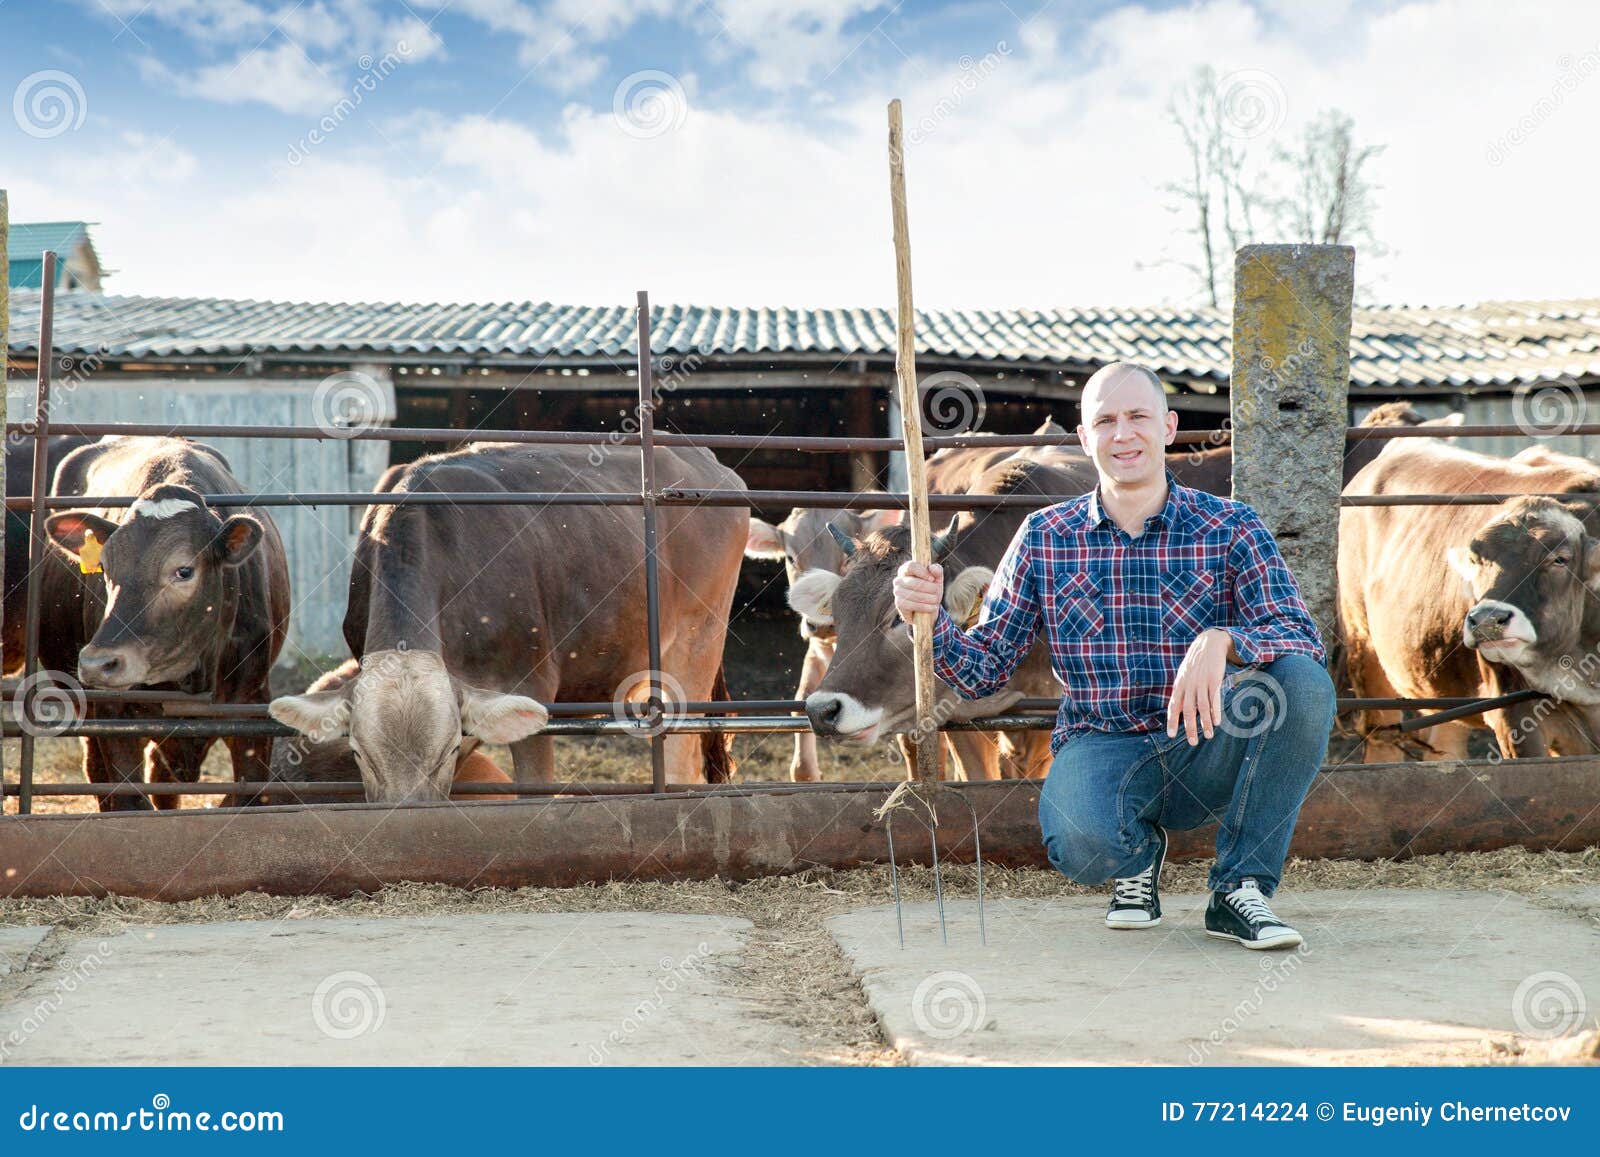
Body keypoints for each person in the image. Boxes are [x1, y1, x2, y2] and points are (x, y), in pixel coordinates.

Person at [892, 362, 1335, 949]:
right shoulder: (1044, 536)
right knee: (1081, 844)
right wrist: (928, 620)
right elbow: (984, 669)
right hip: (1102, 743)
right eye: (1105, 420)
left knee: (1302, 683)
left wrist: (1223, 640)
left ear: (1169, 427)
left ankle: (1239, 889)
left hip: (1210, 741)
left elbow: (1300, 636)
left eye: (1137, 417)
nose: (1122, 434)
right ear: (1083, 437)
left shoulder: (1231, 525)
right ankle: (1134, 861)